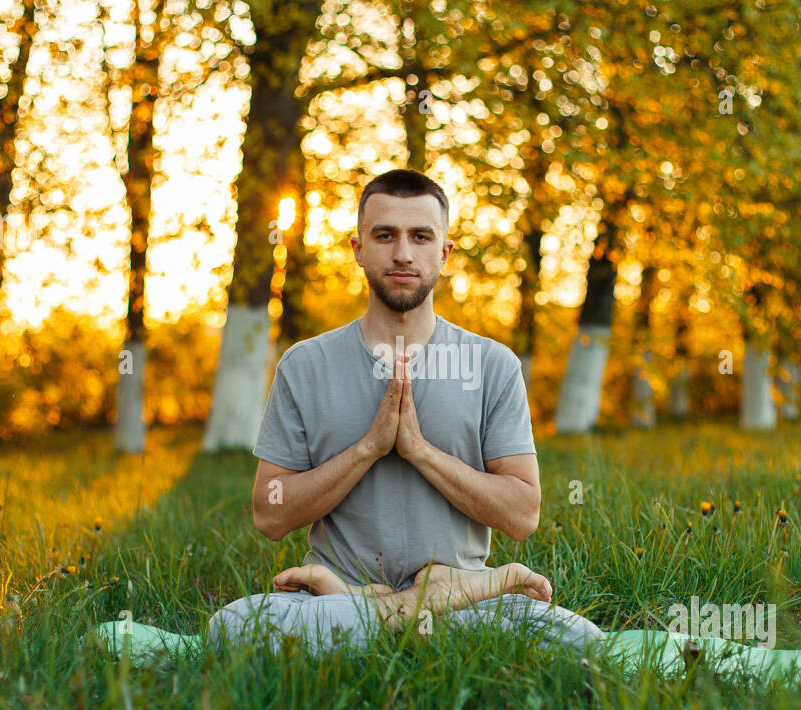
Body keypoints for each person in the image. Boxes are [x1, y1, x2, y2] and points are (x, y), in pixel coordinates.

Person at [206, 169, 605, 656]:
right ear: (358, 250)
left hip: (464, 606)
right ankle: (409, 607)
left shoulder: (492, 365)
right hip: (336, 606)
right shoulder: (305, 365)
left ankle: (394, 610)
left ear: (445, 252)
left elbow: (523, 515)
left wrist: (419, 452)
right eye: (384, 235)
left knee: (579, 641)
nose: (402, 253)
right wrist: (368, 449)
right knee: (232, 627)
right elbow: (269, 514)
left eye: (420, 236)